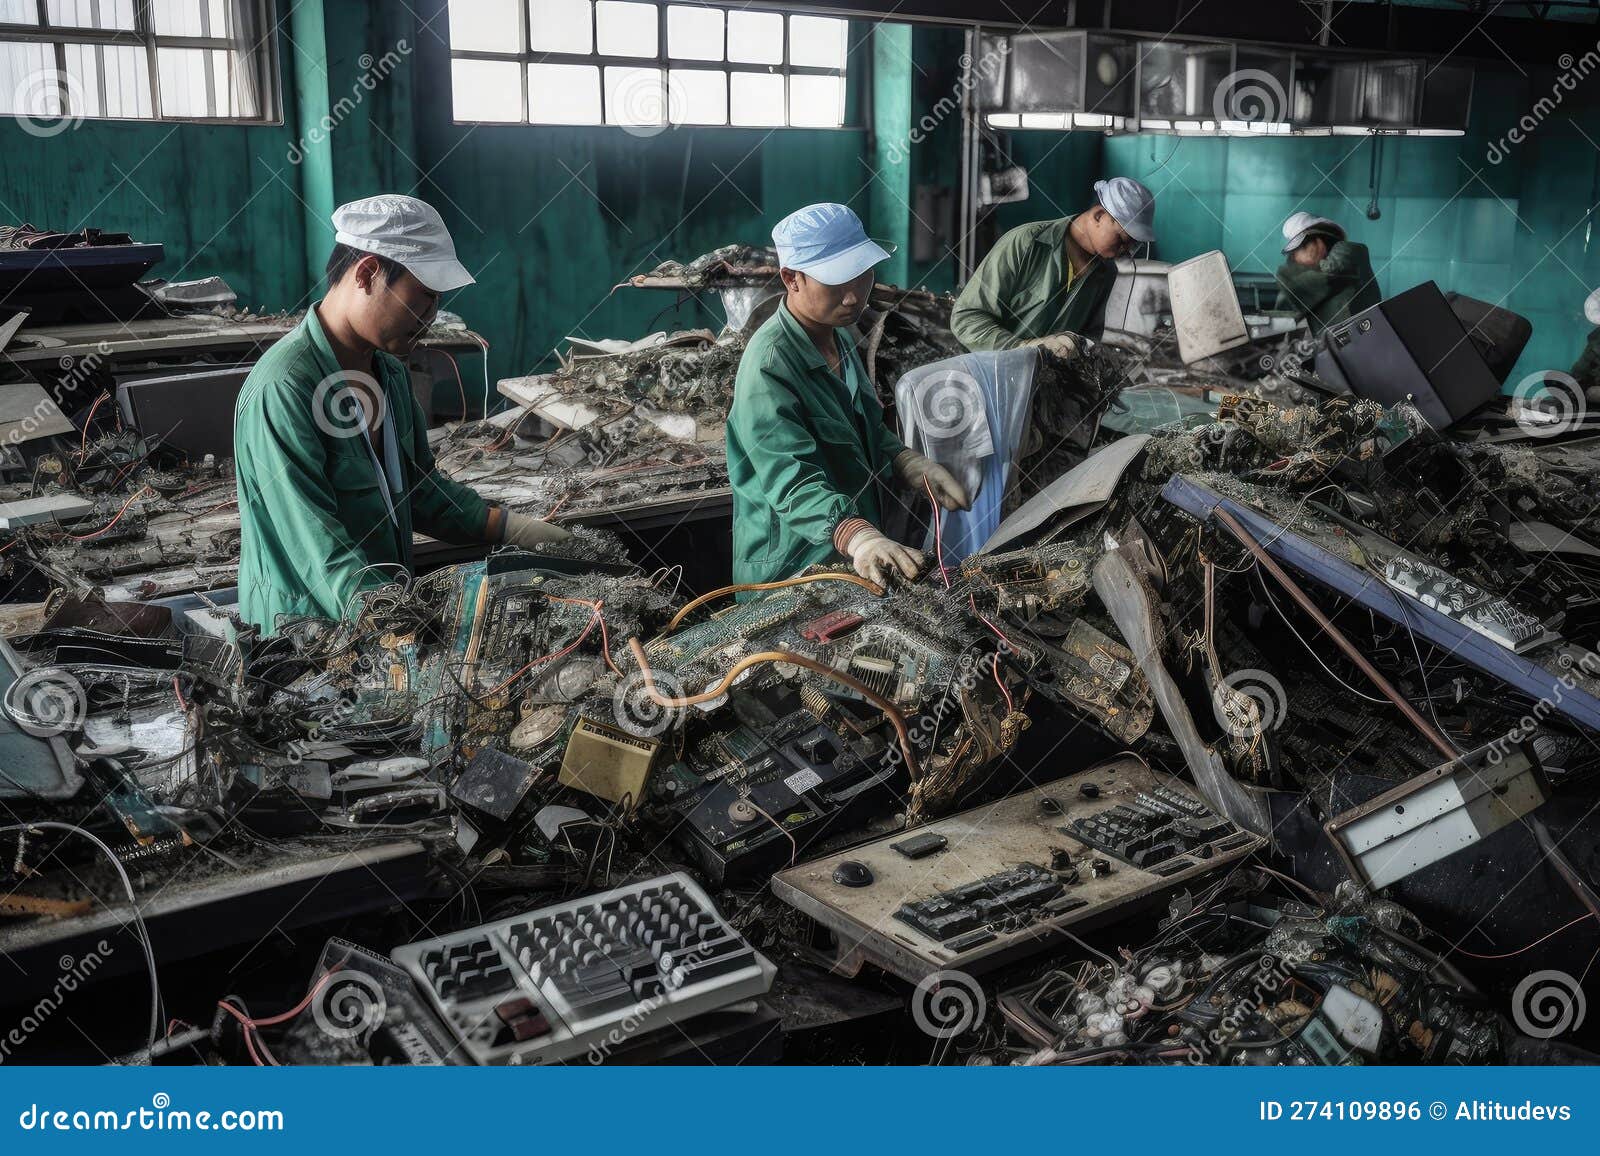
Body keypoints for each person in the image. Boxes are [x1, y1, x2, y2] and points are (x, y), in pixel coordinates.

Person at [235, 195, 568, 635]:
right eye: (423, 299)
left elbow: (418, 490)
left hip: (381, 616)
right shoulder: (284, 387)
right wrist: (390, 620)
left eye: (436, 302)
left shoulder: (388, 375)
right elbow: (313, 542)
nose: (430, 317)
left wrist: (508, 527)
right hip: (305, 633)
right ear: (368, 273)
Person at [726, 203, 969, 590]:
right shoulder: (768, 366)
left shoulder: (838, 335)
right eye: (836, 283)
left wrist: (907, 462)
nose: (854, 297)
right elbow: (791, 481)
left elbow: (865, 427)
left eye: (861, 277)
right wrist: (859, 536)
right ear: (792, 279)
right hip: (792, 572)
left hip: (849, 558)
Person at [950, 177, 1156, 355]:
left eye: (1133, 244)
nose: (1126, 249)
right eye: (1122, 239)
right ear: (1099, 216)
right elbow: (967, 318)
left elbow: (1089, 338)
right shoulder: (1025, 243)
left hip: (1044, 386)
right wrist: (1023, 347)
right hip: (988, 377)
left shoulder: (1106, 273)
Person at [1273, 211, 1381, 335]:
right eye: (1294, 252)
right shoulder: (1310, 279)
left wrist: (1286, 275)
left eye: (1301, 248)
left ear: (1319, 242)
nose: (1297, 257)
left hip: (1365, 337)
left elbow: (1319, 278)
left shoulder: (1349, 251)